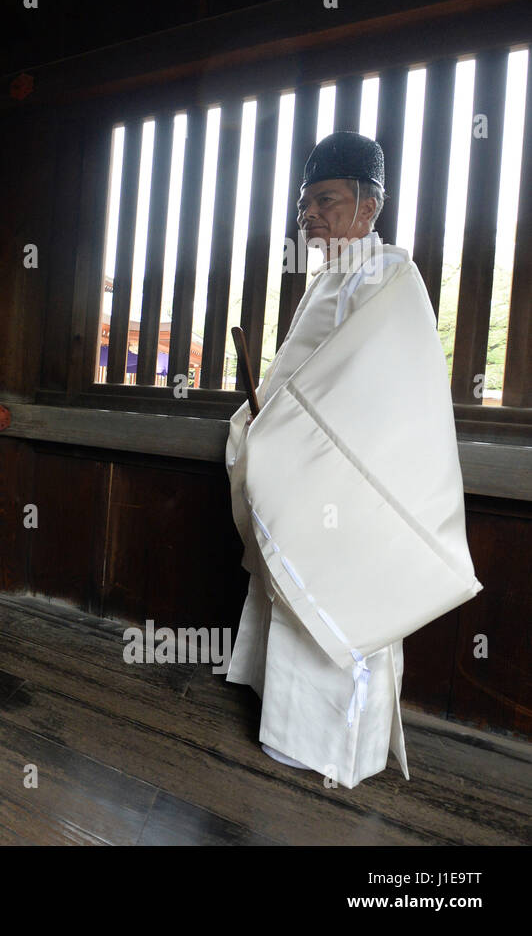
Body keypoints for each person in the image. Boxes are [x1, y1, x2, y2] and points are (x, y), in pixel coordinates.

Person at [224, 131, 481, 788]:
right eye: (305, 204)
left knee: (340, 603)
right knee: (293, 589)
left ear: (369, 206)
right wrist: (264, 418)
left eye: (327, 200)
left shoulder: (388, 273)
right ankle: (284, 725)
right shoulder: (327, 280)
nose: (310, 215)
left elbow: (373, 385)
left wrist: (288, 423)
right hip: (309, 467)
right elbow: (297, 377)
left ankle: (330, 746)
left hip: (353, 474)